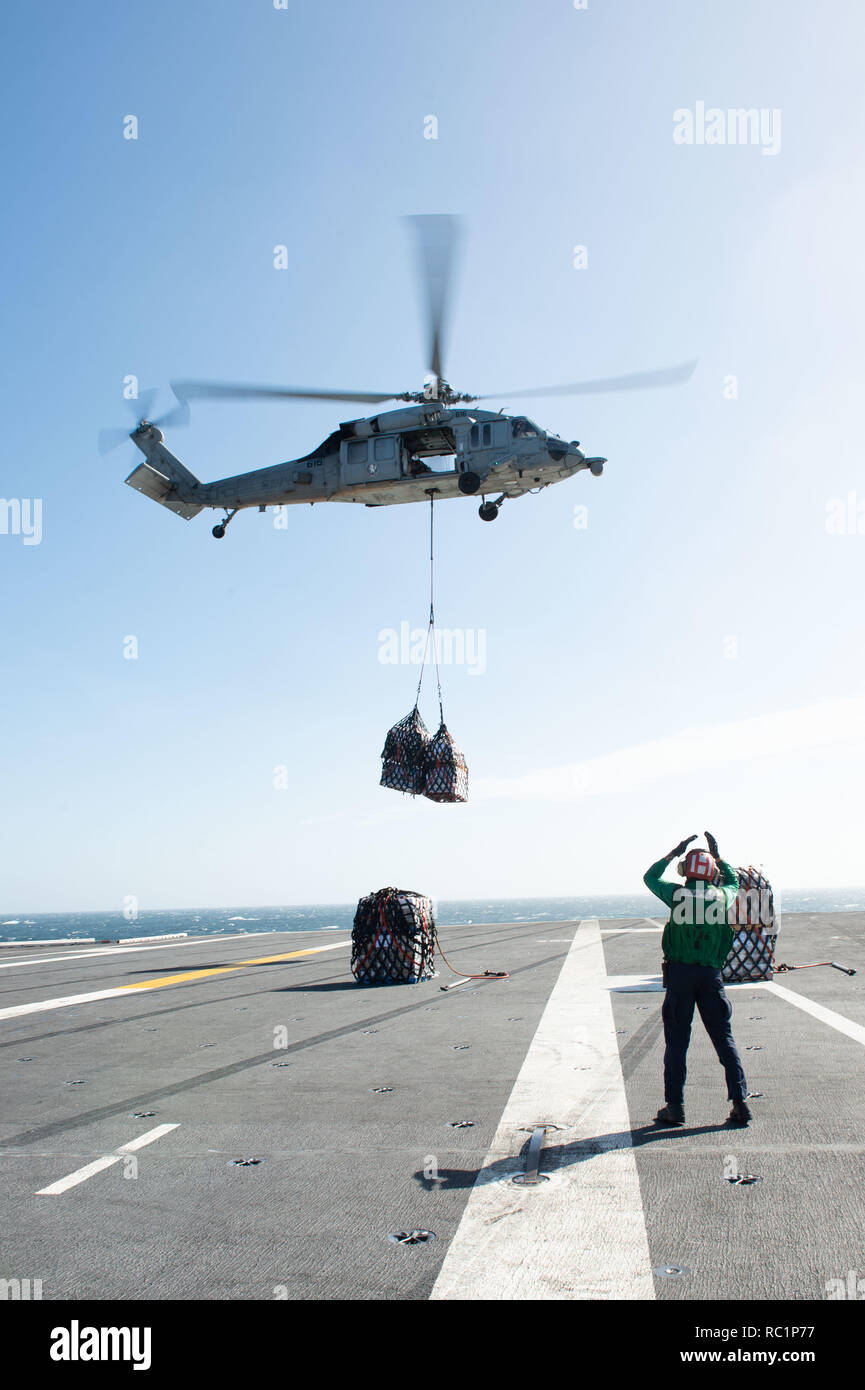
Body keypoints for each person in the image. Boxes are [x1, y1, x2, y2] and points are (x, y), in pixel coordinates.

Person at [644, 830, 752, 1128]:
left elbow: (650, 878)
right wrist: (719, 857)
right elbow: (734, 882)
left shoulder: (677, 895)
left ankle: (675, 1107)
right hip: (711, 978)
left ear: (684, 871)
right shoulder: (721, 895)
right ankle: (740, 1103)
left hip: (680, 977)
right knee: (724, 1039)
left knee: (677, 1043)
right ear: (711, 872)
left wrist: (673, 853)